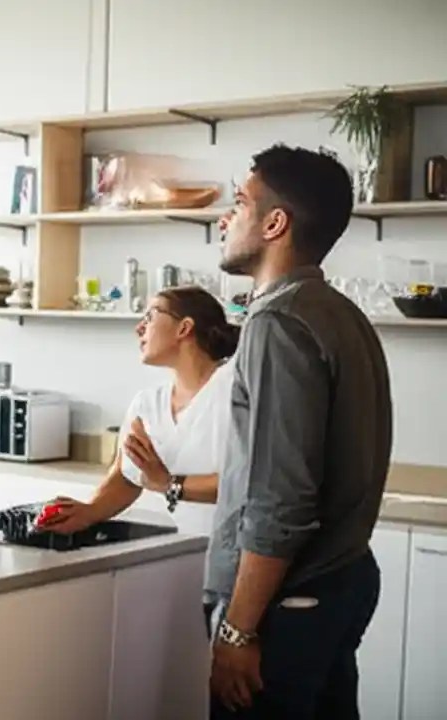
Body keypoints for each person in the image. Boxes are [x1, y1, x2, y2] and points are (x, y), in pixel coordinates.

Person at [206, 144, 391, 718]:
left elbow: (280, 500)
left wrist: (238, 631)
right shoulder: (340, 313)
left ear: (275, 223)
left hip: (289, 604)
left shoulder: (277, 322)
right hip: (341, 581)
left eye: (238, 202)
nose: (224, 218)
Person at [42, 286, 239, 537]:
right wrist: (89, 511)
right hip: (172, 553)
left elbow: (249, 482)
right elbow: (126, 476)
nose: (139, 328)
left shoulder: (235, 390)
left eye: (150, 317)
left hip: (230, 550)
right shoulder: (147, 404)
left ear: (184, 328)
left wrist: (168, 484)